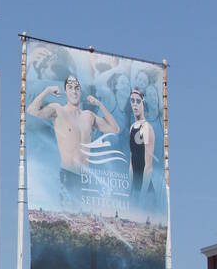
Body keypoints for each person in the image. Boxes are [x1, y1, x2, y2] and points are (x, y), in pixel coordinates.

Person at [28, 75, 119, 204]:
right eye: (70, 88)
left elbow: (115, 129)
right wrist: (47, 90)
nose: (74, 91)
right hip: (68, 175)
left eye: (77, 88)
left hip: (86, 178)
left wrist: (99, 104)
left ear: (80, 91)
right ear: (65, 91)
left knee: (85, 221)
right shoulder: (58, 110)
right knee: (69, 217)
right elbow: (32, 111)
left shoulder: (89, 116)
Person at [128, 88, 156, 200]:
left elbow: (148, 167)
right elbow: (131, 163)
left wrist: (142, 198)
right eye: (132, 100)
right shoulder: (132, 128)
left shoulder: (146, 128)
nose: (135, 104)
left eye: (138, 101)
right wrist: (129, 193)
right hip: (135, 190)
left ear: (143, 103)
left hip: (146, 192)